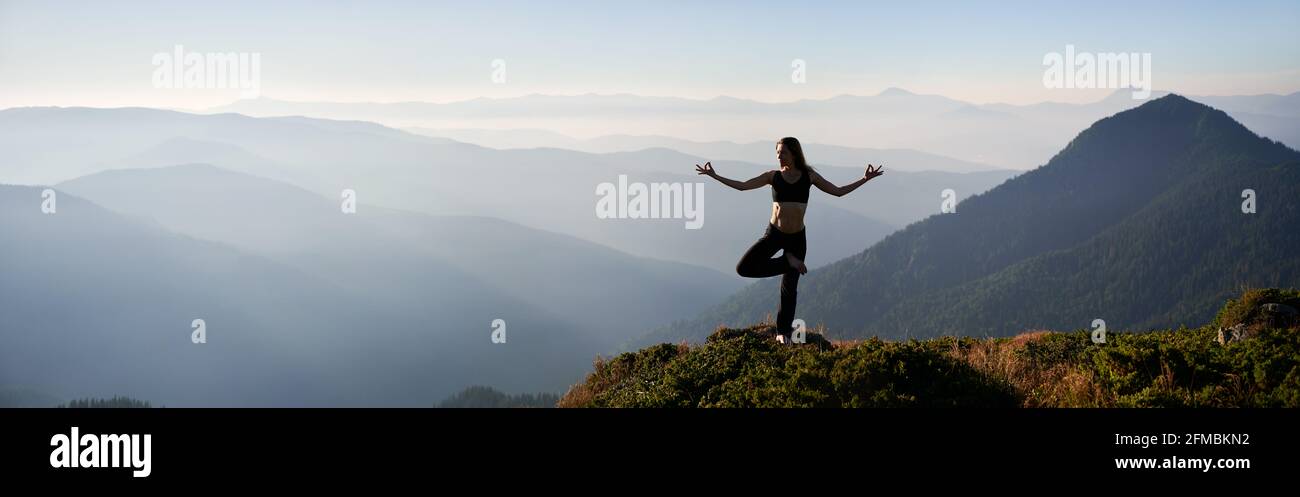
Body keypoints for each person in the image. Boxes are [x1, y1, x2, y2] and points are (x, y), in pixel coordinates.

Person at [696, 137, 883, 344]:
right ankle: (788, 263)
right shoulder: (772, 177)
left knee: (789, 288)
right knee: (744, 268)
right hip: (774, 235)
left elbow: (837, 192)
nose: (779, 156)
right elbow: (742, 186)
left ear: (794, 153)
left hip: (797, 238)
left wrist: (865, 179)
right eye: (777, 152)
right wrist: (714, 176)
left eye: (783, 152)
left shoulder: (809, 177)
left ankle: (783, 333)